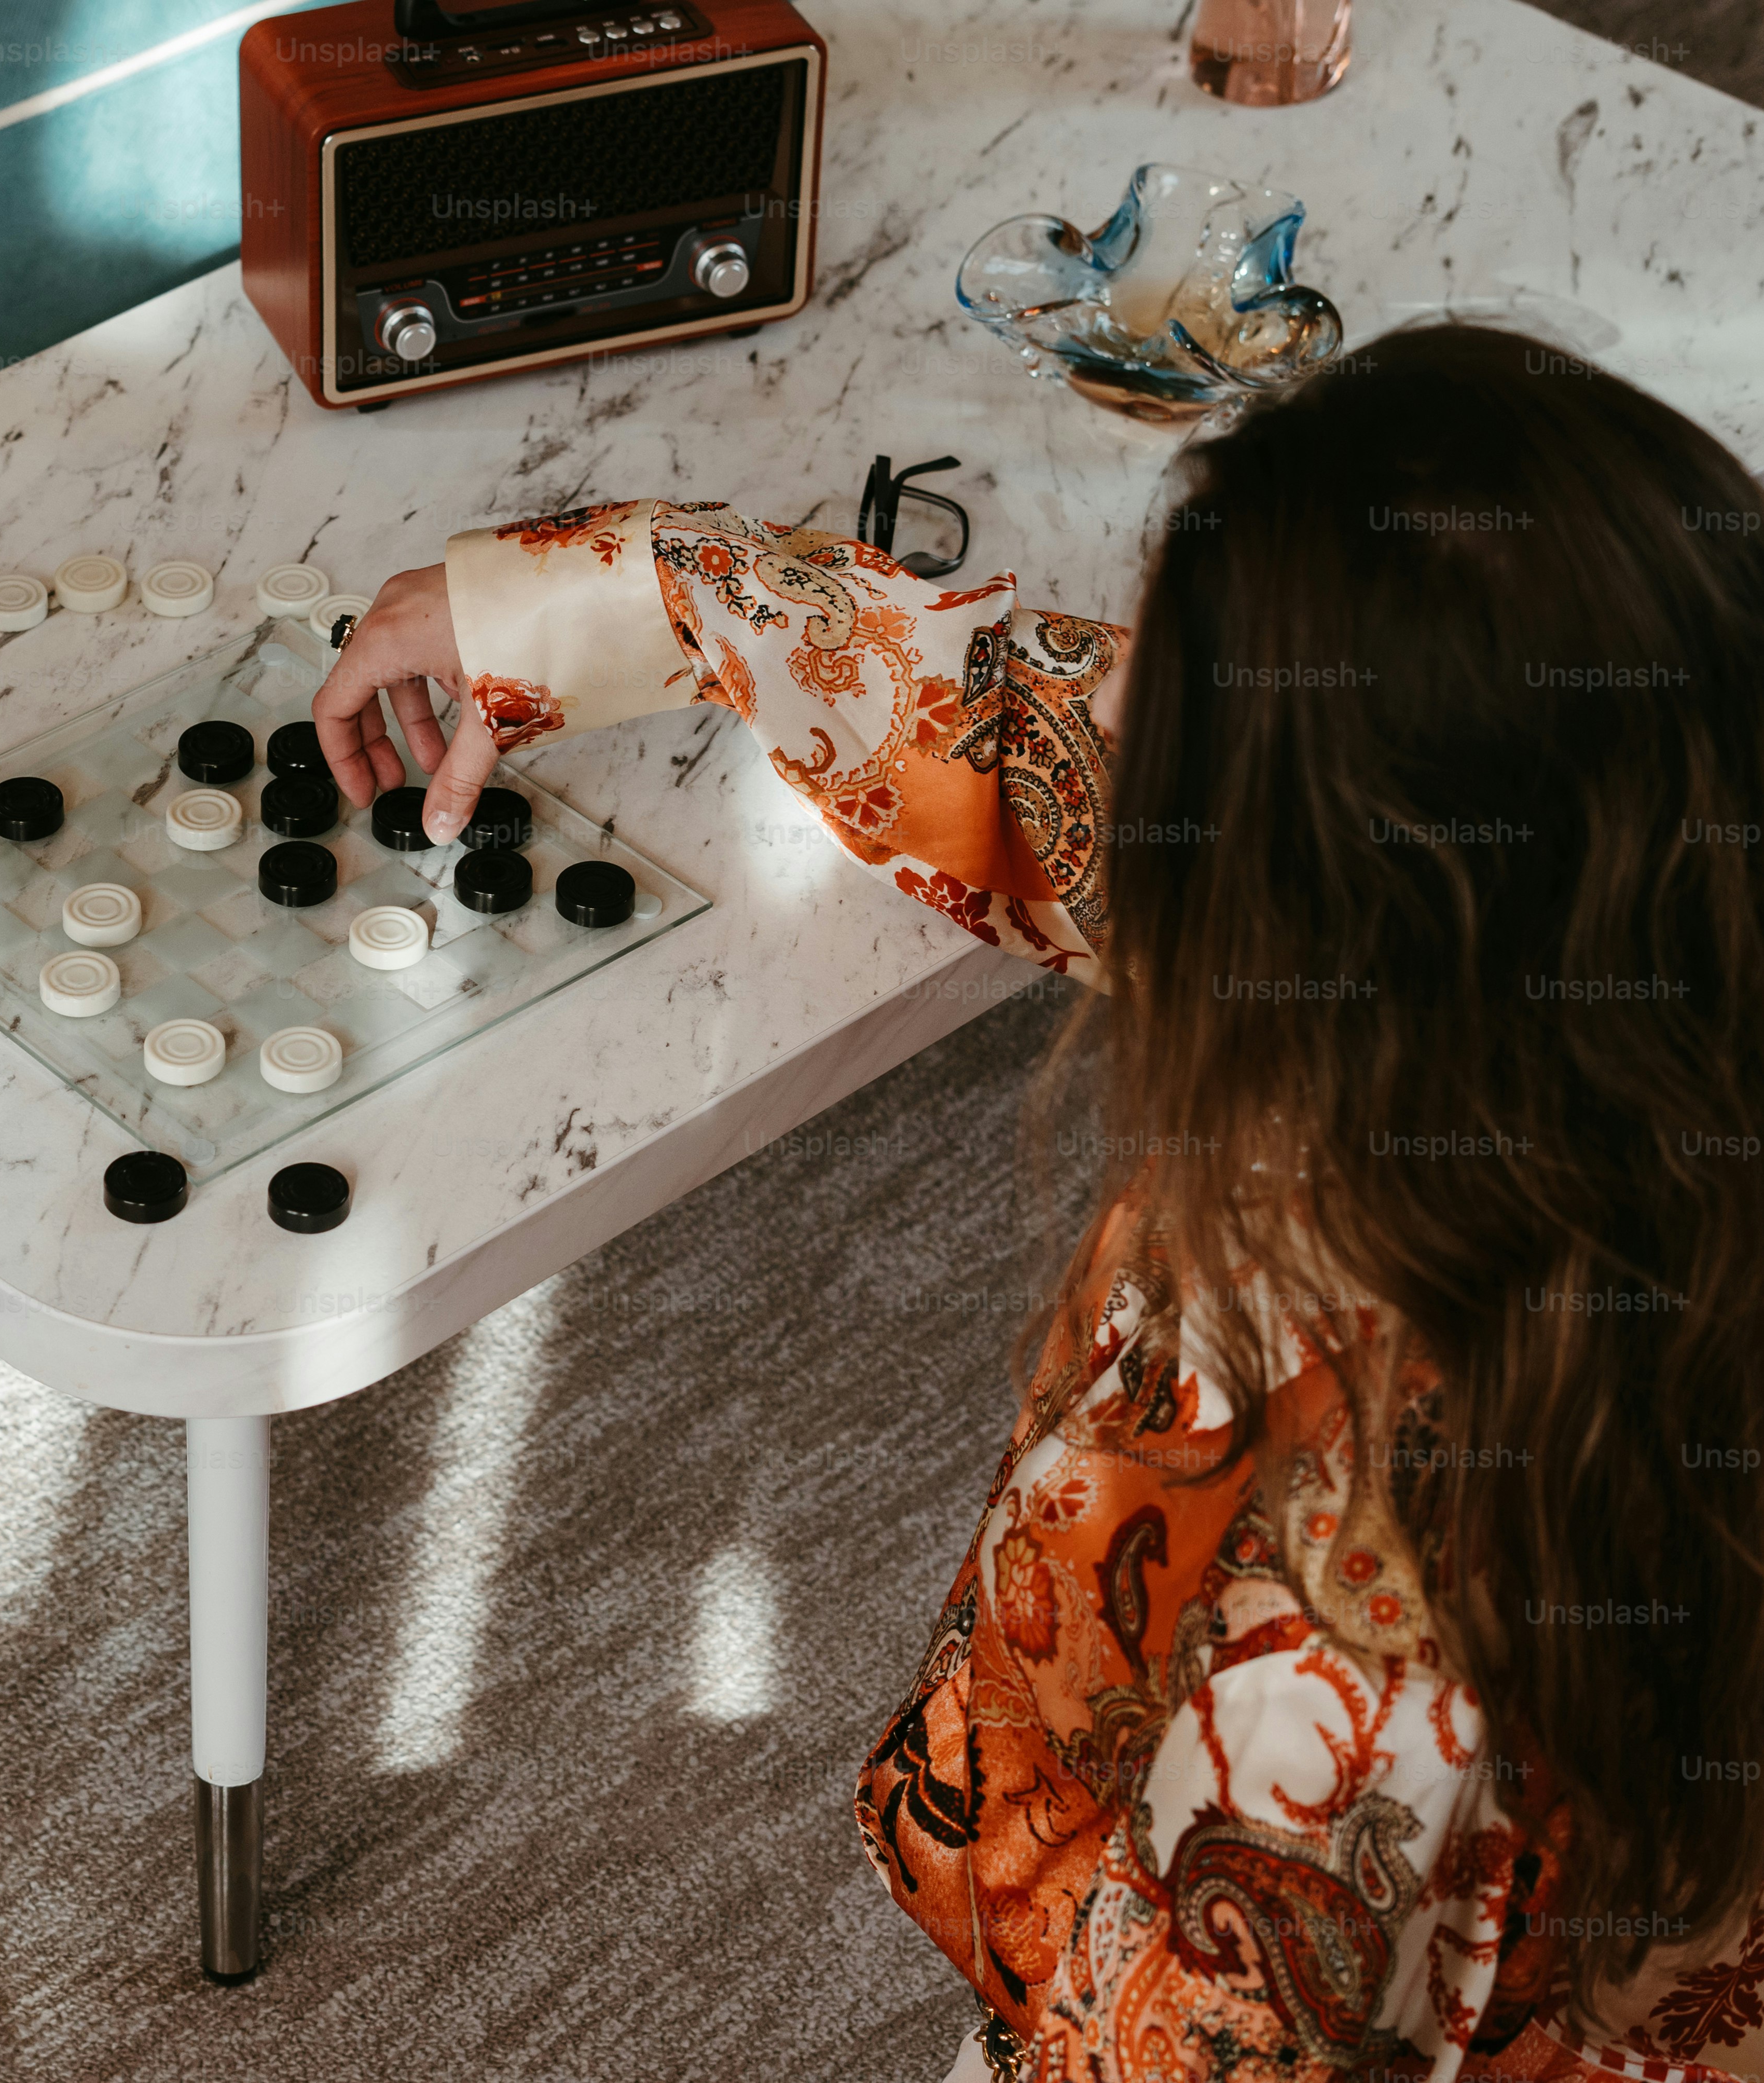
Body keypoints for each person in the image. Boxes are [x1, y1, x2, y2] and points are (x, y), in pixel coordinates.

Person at [312, 326, 1764, 2082]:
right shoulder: (1614, 930)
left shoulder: (1360, 1663)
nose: (1116, 693)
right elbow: (1028, 725)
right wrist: (624, 590)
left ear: (1311, 914)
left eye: (1186, 696)